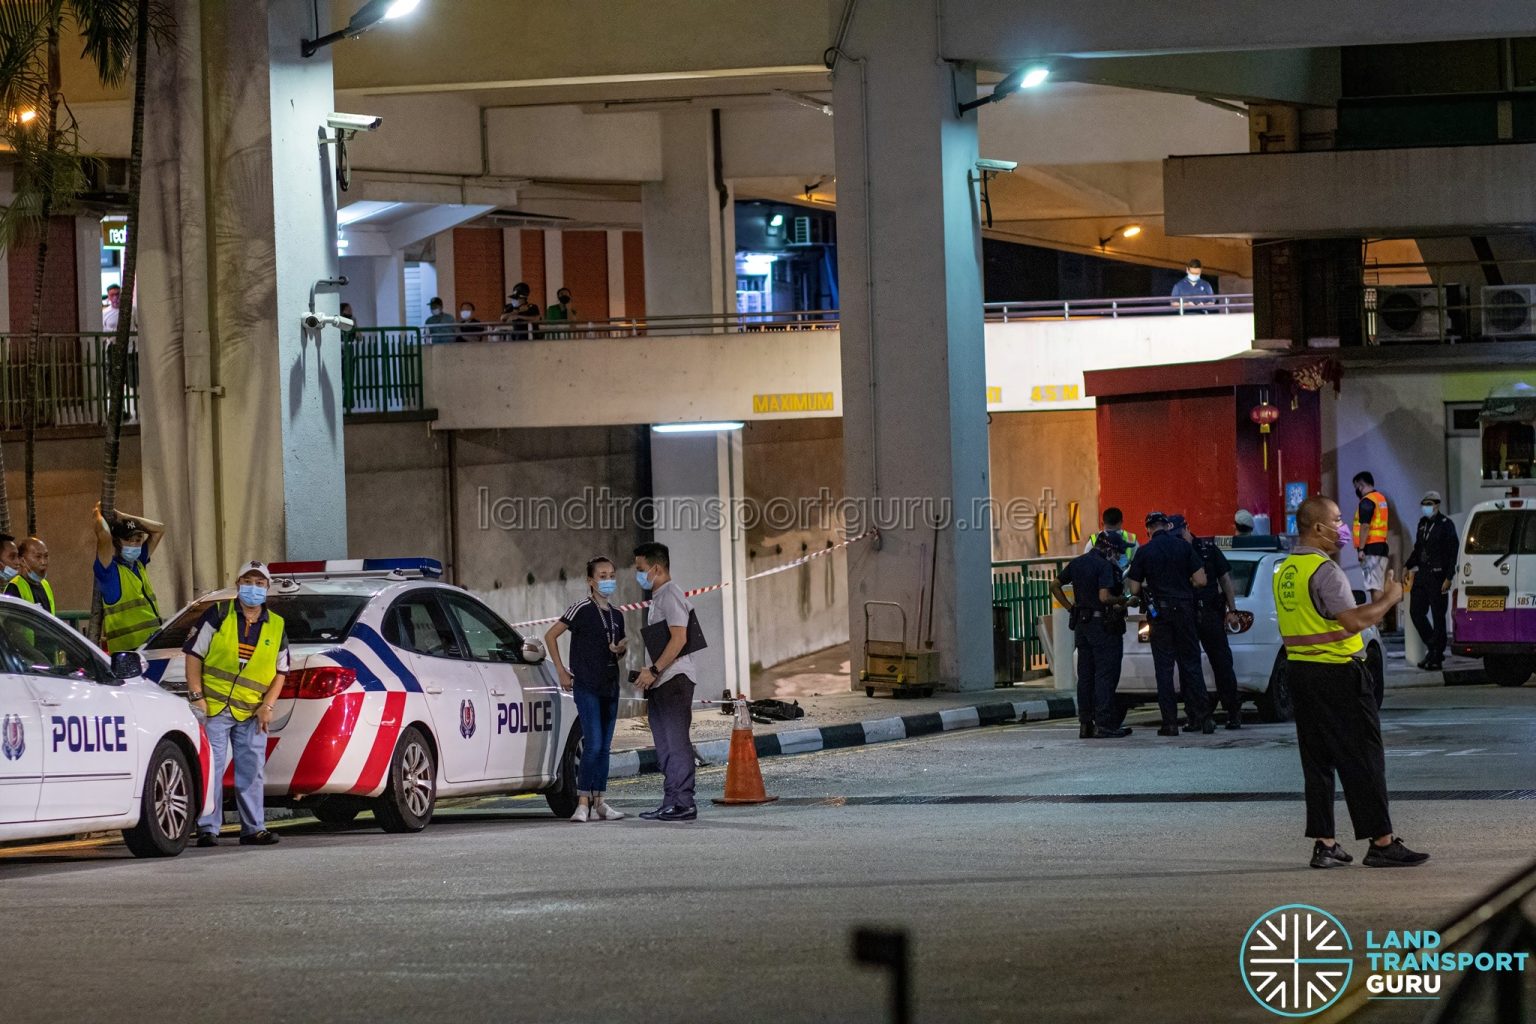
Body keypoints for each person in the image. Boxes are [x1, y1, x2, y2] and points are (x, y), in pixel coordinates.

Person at [1276, 496, 1428, 869]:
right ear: (1318, 528)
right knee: (1364, 758)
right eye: (1338, 520)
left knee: (1318, 761)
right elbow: (1354, 622)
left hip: (1301, 674)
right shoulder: (1325, 571)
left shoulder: (1286, 570)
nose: (1344, 527)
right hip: (1339, 674)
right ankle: (1382, 842)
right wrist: (1392, 598)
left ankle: (1325, 844)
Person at [185, 561, 287, 848]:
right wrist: (197, 697)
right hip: (215, 707)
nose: (253, 588)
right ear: (238, 583)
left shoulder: (277, 625)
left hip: (253, 711)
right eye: (248, 581)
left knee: (251, 768)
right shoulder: (218, 614)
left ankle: (254, 829)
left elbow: (281, 671)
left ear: (267, 588)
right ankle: (207, 828)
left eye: (259, 583)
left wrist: (268, 706)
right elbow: (193, 655)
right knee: (212, 768)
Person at [544, 556, 628, 823]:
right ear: (590, 581)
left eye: (611, 575)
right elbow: (551, 635)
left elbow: (617, 651)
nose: (608, 580)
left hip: (610, 686)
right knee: (591, 744)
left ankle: (600, 801)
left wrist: (620, 650)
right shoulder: (580, 608)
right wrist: (560, 670)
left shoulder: (617, 615)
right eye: (602, 576)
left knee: (604, 747)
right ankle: (582, 802)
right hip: (586, 686)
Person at [1126, 511, 1211, 736]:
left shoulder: (1144, 552)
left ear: (1148, 529)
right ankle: (1205, 719)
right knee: (1191, 665)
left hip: (1160, 615)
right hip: (1185, 611)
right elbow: (1201, 580)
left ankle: (1170, 724)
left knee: (1164, 670)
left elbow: (1133, 589)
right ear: (1167, 525)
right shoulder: (1184, 547)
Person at [632, 542, 698, 822]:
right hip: (662, 681)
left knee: (675, 743)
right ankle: (671, 801)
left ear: (656, 568)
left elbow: (680, 637)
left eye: (640, 569)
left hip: (673, 680)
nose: (638, 574)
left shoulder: (670, 594)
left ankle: (684, 802)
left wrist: (654, 670)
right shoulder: (659, 597)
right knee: (665, 745)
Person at [1052, 532, 1132, 739]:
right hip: (1103, 626)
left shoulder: (1078, 563)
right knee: (1105, 675)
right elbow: (1104, 597)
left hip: (1082, 625)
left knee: (1085, 676)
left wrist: (1071, 608)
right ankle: (1104, 724)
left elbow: (1054, 585)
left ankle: (1085, 724)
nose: (1119, 555)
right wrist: (1123, 600)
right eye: (1118, 551)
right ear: (1108, 549)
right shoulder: (1105, 566)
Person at [1182, 519, 1243, 729]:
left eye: (1181, 533)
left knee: (1222, 663)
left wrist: (1232, 610)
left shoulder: (1208, 549)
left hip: (1210, 612)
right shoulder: (1177, 552)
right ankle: (1196, 714)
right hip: (1187, 613)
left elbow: (1225, 579)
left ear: (1188, 528)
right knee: (1190, 666)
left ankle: (1233, 711)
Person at [93, 503, 166, 652]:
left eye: (138, 539)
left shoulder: (139, 563)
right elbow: (104, 536)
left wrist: (124, 516)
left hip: (151, 648)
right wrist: (97, 514)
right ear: (117, 542)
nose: (134, 544)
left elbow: (159, 529)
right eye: (128, 540)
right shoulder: (110, 572)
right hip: (127, 654)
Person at [1405, 490, 1459, 671]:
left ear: (1437, 505)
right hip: (1422, 574)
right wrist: (1407, 565)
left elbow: (1453, 552)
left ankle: (1437, 655)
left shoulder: (1446, 525)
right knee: (1415, 612)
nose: (1426, 508)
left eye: (1429, 504)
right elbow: (1418, 548)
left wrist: (1449, 577)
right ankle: (1433, 646)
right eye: (1424, 504)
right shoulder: (1422, 524)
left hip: (1438, 576)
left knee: (1438, 616)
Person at [1352, 472, 1391, 602]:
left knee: (1375, 587)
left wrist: (1361, 549)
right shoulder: (1380, 498)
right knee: (1377, 585)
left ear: (1361, 484)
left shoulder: (1367, 501)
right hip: (1380, 547)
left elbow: (1365, 526)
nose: (1357, 490)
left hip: (1371, 548)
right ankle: (1378, 620)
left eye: (1357, 486)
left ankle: (1377, 621)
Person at [6, 536, 54, 615]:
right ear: (22, 561)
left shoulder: (45, 584)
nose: (43, 562)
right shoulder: (14, 587)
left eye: (46, 556)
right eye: (38, 557)